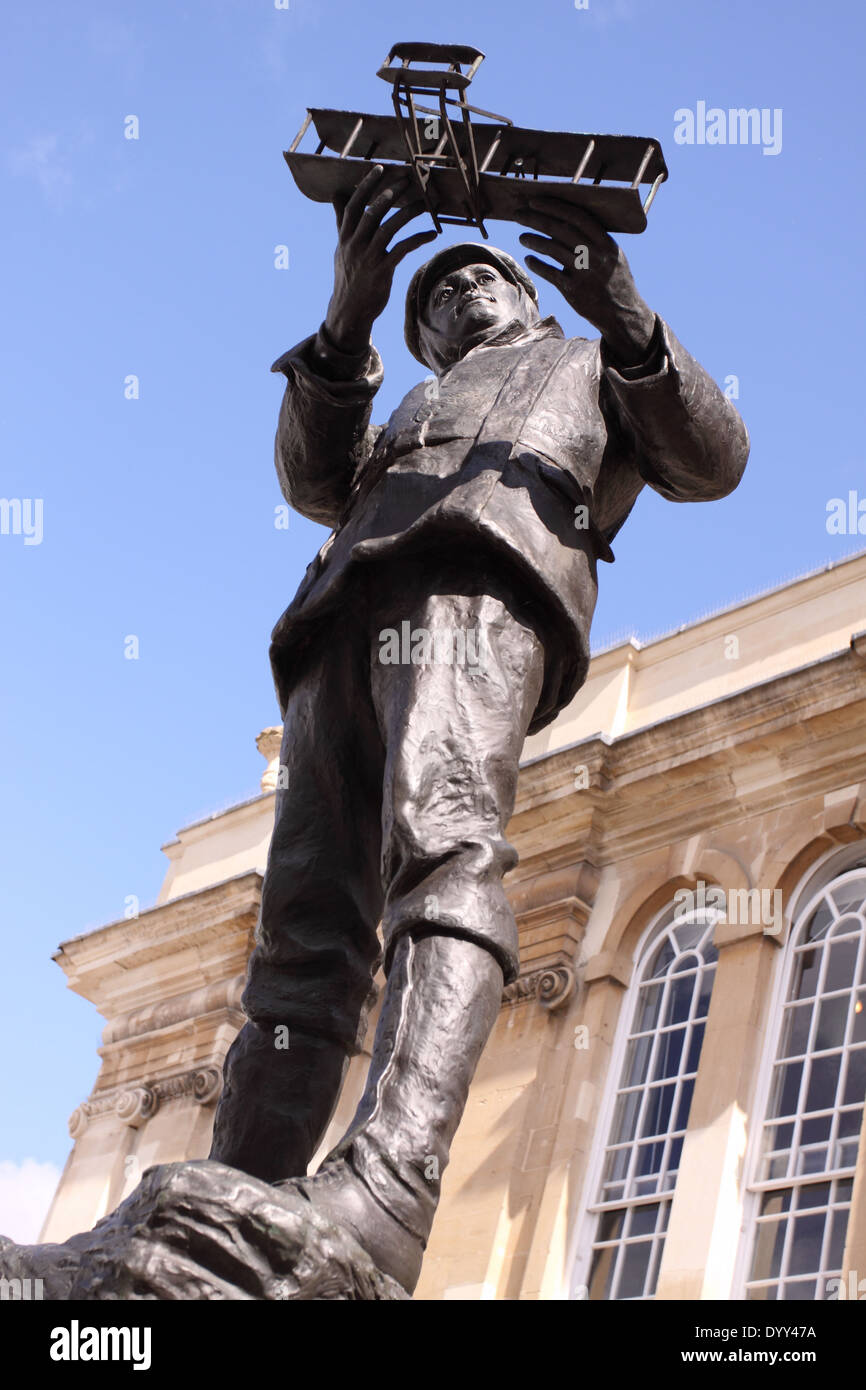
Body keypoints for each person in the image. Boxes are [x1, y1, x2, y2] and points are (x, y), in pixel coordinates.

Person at [209, 166, 750, 1295]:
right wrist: (343, 322)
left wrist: (628, 315)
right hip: (336, 626)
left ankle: (388, 1186)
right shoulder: (400, 404)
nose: (457, 292)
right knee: (301, 932)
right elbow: (313, 481)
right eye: (432, 295)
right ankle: (240, 1192)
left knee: (444, 853)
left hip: (482, 589)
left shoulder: (587, 362)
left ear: (529, 298)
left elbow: (712, 460)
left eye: (479, 276)